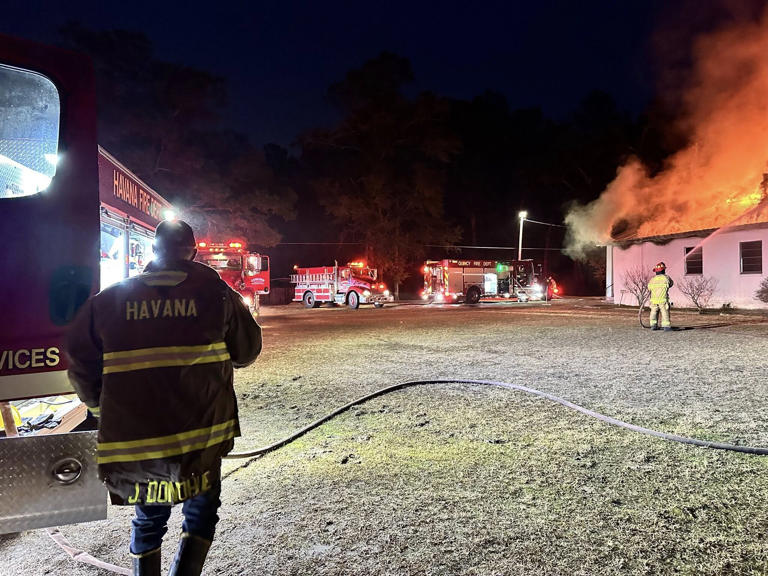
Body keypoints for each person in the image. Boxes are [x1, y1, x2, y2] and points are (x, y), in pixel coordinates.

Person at [67, 219, 261, 576]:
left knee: (149, 517)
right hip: (201, 437)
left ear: (152, 251)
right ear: (194, 252)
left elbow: (80, 362)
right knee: (201, 513)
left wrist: (101, 409)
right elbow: (247, 351)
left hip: (138, 442)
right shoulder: (217, 296)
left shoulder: (109, 300)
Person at [647, 261, 674, 331]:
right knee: (665, 312)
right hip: (663, 300)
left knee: (653, 312)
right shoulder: (666, 278)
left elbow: (649, 287)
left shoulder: (652, 279)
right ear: (663, 270)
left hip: (654, 300)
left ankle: (653, 326)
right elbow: (671, 284)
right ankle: (666, 326)